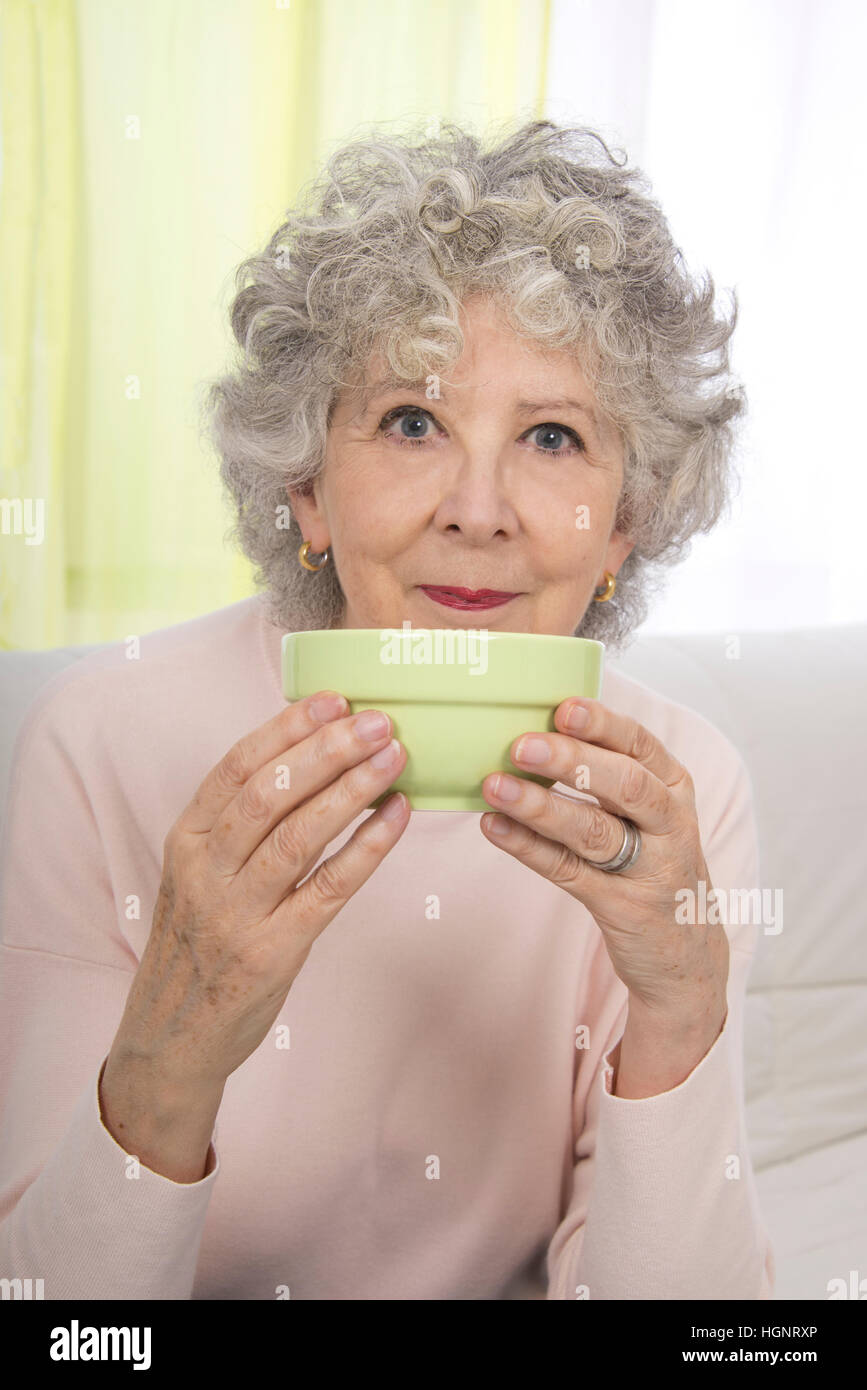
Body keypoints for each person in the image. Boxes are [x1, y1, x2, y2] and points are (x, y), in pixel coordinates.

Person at [0, 119, 775, 1300]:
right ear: (307, 486)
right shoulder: (100, 741)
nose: (478, 508)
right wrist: (177, 1041)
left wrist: (683, 1015)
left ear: (627, 522)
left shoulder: (678, 791)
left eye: (553, 436)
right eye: (413, 422)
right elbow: (53, 1322)